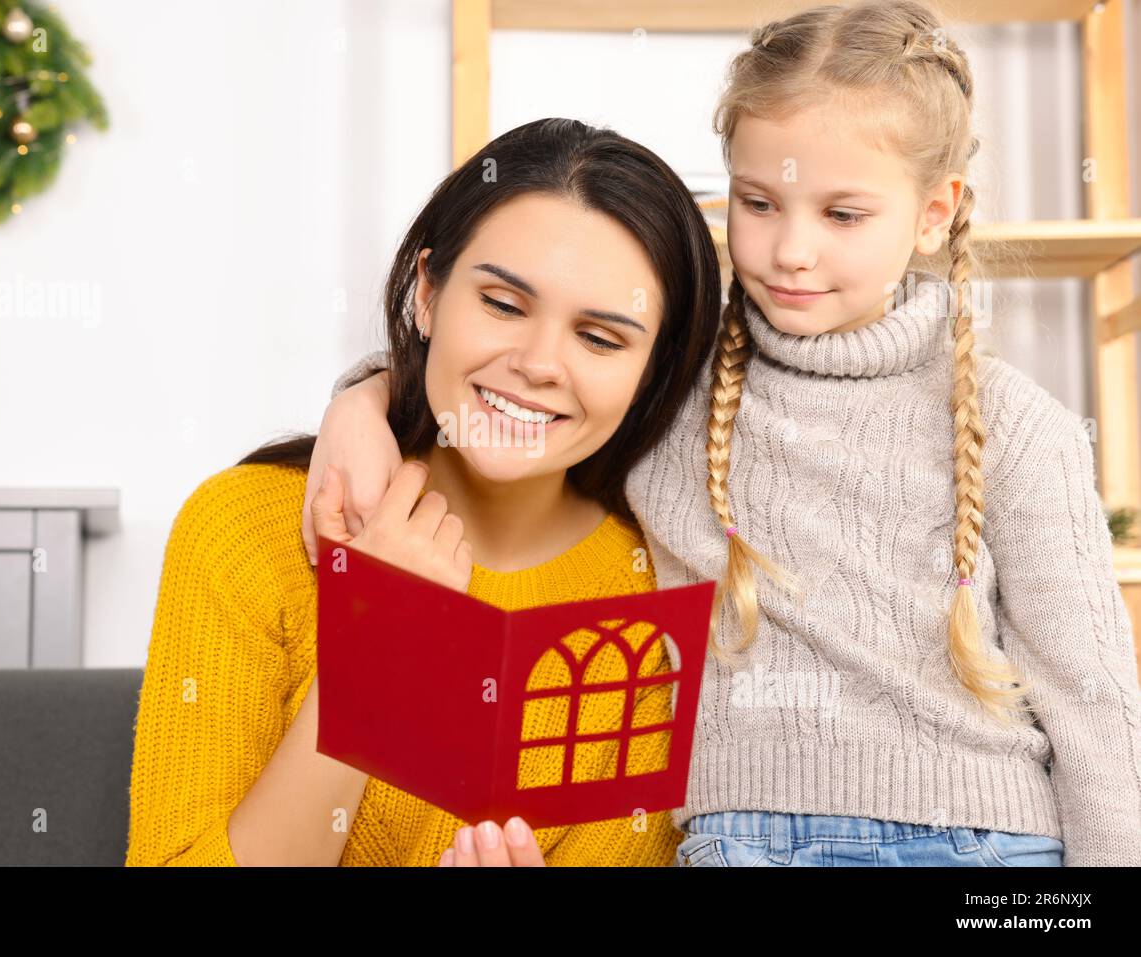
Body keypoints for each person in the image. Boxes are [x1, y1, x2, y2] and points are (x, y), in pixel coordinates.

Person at [307, 1, 1141, 866]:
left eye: (843, 215)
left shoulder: (1016, 423)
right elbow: (516, 376)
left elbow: (1094, 701)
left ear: (935, 212)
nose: (792, 250)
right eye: (759, 202)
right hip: (739, 845)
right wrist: (362, 402)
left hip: (985, 849)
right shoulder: (675, 385)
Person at [125, 116, 723, 866]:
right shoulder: (246, 528)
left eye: (600, 338)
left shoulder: (657, 609)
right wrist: (377, 651)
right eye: (503, 305)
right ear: (429, 293)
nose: (538, 363)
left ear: (652, 375)